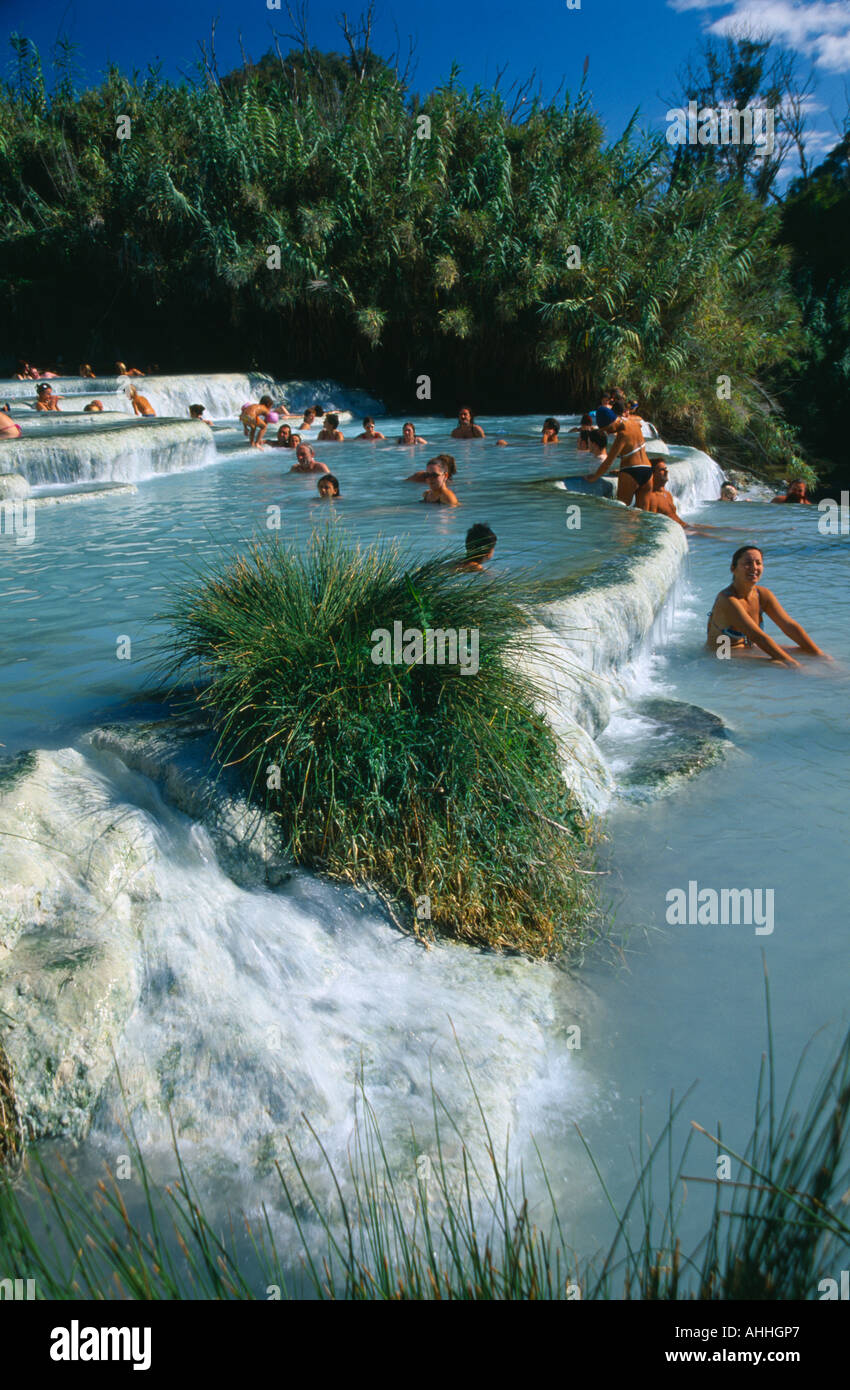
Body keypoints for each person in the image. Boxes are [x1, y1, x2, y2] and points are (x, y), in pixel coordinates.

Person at [706, 545, 827, 666]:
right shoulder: (727, 600)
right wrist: (792, 663)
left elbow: (789, 626)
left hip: (748, 649)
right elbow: (757, 637)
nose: (754, 567)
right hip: (722, 654)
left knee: (806, 653)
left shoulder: (763, 595)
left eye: (758, 563)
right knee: (781, 664)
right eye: (747, 563)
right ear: (733, 569)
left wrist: (818, 653)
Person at [585, 403, 653, 507]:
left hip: (631, 472)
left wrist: (594, 477)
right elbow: (633, 449)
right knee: (643, 515)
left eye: (607, 429)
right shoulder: (634, 423)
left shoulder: (622, 435)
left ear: (612, 422)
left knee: (621, 512)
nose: (607, 432)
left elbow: (608, 462)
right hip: (647, 471)